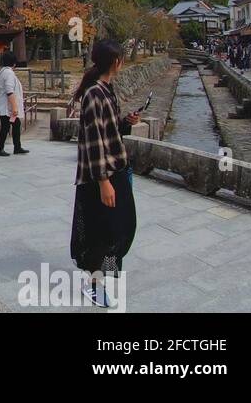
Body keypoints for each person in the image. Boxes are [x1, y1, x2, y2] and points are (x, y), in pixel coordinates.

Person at [70, 39, 141, 308]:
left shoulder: (107, 90)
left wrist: (126, 122)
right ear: (115, 62)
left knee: (121, 228)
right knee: (103, 232)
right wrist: (103, 181)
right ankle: (94, 283)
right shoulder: (93, 94)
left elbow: (109, 130)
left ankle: (99, 277)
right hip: (102, 175)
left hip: (118, 168)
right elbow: (93, 140)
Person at [0, 51, 29, 156]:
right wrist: (14, 107)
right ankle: (0, 149)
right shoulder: (8, 73)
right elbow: (9, 91)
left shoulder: (2, 72)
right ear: (14, 63)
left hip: (5, 105)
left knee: (15, 125)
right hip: (7, 107)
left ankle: (17, 147)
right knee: (5, 127)